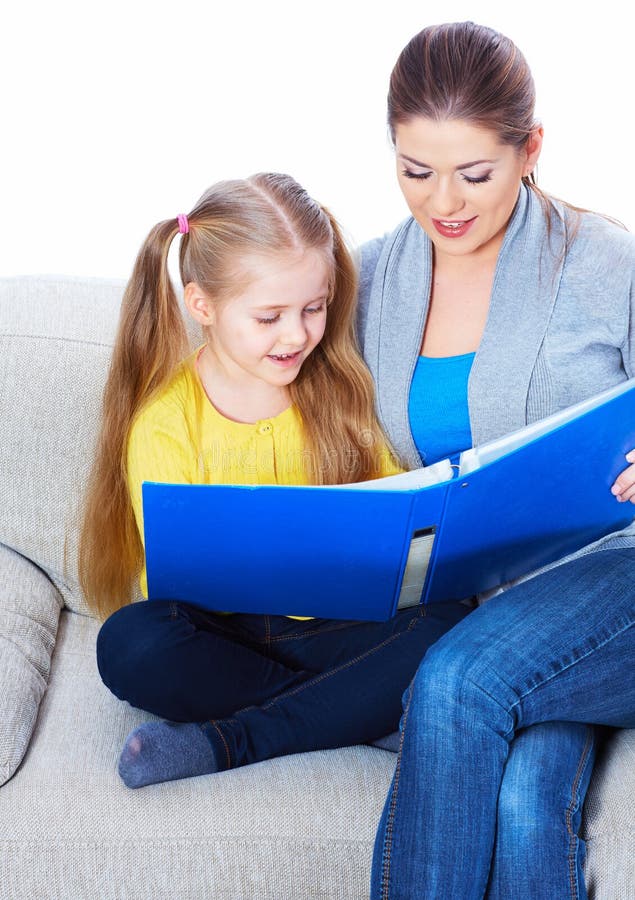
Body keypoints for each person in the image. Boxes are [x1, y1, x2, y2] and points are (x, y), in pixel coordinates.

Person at [78, 172, 472, 790]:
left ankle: (237, 739)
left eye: (313, 309)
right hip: (225, 641)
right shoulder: (165, 423)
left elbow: (398, 511)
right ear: (202, 305)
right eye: (269, 317)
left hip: (334, 628)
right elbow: (173, 578)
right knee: (129, 644)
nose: (297, 335)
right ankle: (357, 710)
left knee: (448, 618)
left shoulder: (338, 390)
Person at [360, 22, 635, 900]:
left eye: (474, 173)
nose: (443, 200)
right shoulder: (367, 281)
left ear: (530, 150)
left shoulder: (606, 263)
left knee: (455, 684)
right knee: (523, 807)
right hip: (483, 604)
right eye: (415, 170)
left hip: (613, 581)